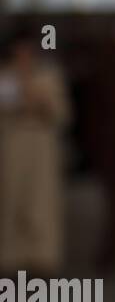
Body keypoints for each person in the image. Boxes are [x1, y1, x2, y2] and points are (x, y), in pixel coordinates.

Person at [0, 33, 71, 277]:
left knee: (41, 199)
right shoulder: (4, 76)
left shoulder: (48, 77)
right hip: (11, 143)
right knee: (11, 197)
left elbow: (61, 113)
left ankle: (43, 256)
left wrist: (36, 99)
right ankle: (11, 255)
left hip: (41, 143)